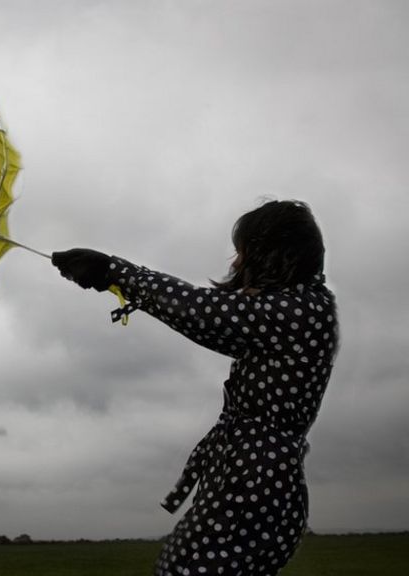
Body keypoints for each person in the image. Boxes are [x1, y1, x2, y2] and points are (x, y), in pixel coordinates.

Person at [52, 200, 338, 576]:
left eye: (243, 253)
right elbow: (209, 309)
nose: (236, 264)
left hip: (255, 482)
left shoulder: (300, 311)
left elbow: (201, 312)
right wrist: (114, 275)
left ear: (275, 255)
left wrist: (112, 271)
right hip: (252, 476)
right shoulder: (303, 308)